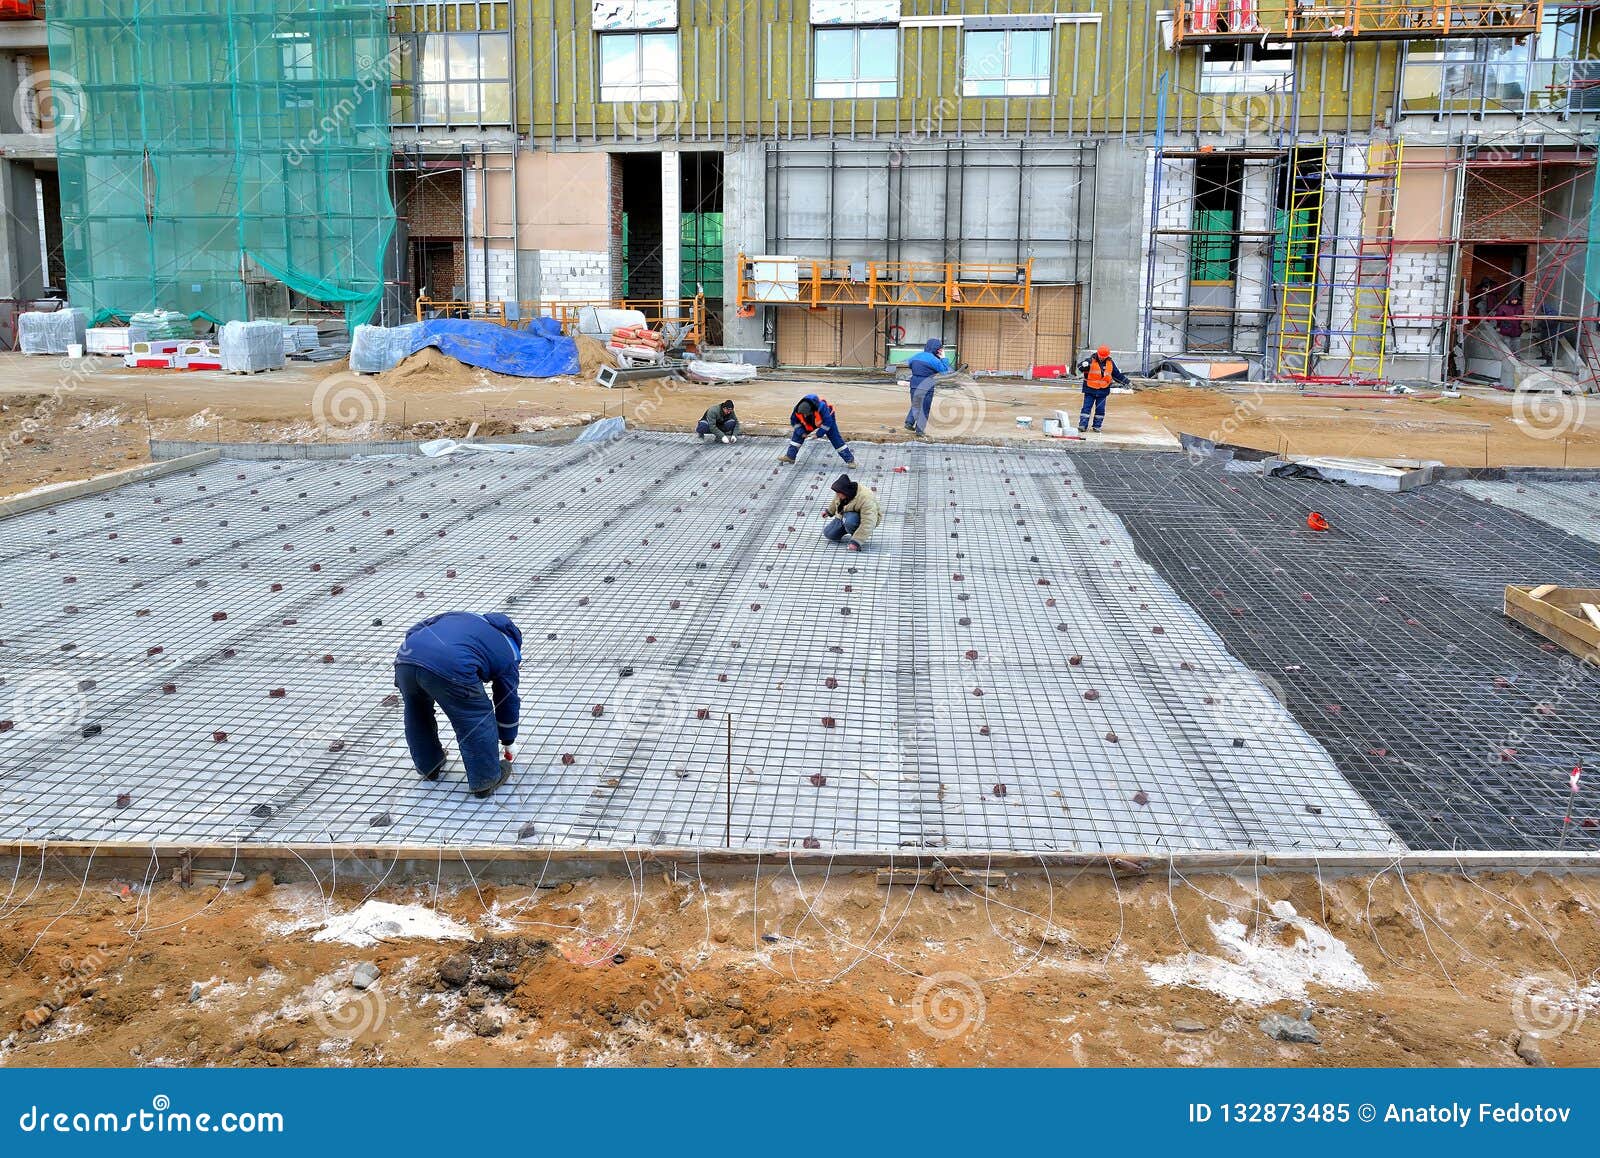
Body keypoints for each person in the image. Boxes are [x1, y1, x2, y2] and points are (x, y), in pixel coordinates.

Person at [393, 611, 522, 799]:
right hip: (451, 666)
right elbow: (507, 700)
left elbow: (414, 630)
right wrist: (508, 739)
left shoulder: (462, 616)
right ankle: (485, 779)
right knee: (474, 715)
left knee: (416, 711)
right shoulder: (509, 650)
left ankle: (429, 765)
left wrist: (418, 658)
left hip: (406, 658)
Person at [781, 394, 856, 466]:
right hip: (811, 421)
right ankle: (790, 457)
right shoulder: (798, 409)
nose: (804, 415)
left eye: (806, 414)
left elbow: (827, 422)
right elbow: (794, 422)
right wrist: (802, 432)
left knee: (835, 439)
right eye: (803, 414)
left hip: (827, 421)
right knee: (797, 435)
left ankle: (850, 460)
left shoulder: (822, 407)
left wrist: (818, 434)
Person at [1076, 345, 1130, 433]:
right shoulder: (1090, 361)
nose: (1102, 358)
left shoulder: (1110, 363)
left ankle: (1097, 426)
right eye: (1101, 356)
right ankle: (1082, 425)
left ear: (1107, 356)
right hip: (1090, 389)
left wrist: (1127, 382)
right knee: (1086, 408)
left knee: (1100, 409)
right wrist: (1082, 365)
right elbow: (1080, 368)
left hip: (1103, 390)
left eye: (1104, 357)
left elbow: (1116, 374)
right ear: (1098, 354)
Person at [821, 473, 881, 552]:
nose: (837, 495)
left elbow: (869, 522)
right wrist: (829, 511)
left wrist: (856, 542)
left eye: (839, 494)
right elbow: (836, 501)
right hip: (844, 515)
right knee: (829, 533)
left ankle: (855, 536)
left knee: (850, 521)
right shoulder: (842, 491)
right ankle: (847, 526)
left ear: (846, 492)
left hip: (860, 519)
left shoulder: (865, 498)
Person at [904, 338, 952, 436]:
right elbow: (945, 372)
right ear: (938, 349)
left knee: (916, 404)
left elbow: (909, 363)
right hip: (926, 384)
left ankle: (909, 422)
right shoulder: (934, 360)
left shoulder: (916, 356)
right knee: (925, 407)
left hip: (914, 383)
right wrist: (943, 358)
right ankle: (920, 430)